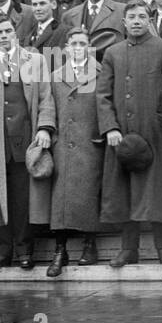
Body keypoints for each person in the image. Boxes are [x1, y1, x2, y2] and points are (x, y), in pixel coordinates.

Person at [0, 14, 56, 269]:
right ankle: (2, 251)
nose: (4, 36)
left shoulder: (34, 60)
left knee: (23, 197)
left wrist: (45, 128)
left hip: (26, 140)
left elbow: (47, 98)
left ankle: (25, 249)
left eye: (7, 31)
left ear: (15, 33)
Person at [97, 1, 162, 268]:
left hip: (156, 133)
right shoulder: (113, 53)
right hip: (121, 134)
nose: (136, 21)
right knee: (125, 192)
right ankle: (128, 249)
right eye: (131, 17)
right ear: (123, 22)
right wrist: (110, 127)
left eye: (142, 16)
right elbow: (102, 95)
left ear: (150, 20)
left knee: (159, 191)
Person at [45, 27, 106, 276]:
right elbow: (48, 106)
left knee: (88, 195)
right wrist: (48, 131)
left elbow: (106, 104)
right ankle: (61, 250)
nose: (78, 48)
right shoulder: (56, 75)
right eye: (74, 44)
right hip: (64, 145)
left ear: (89, 48)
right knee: (61, 199)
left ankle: (89, 245)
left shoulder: (100, 73)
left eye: (83, 43)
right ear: (66, 49)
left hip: (89, 144)